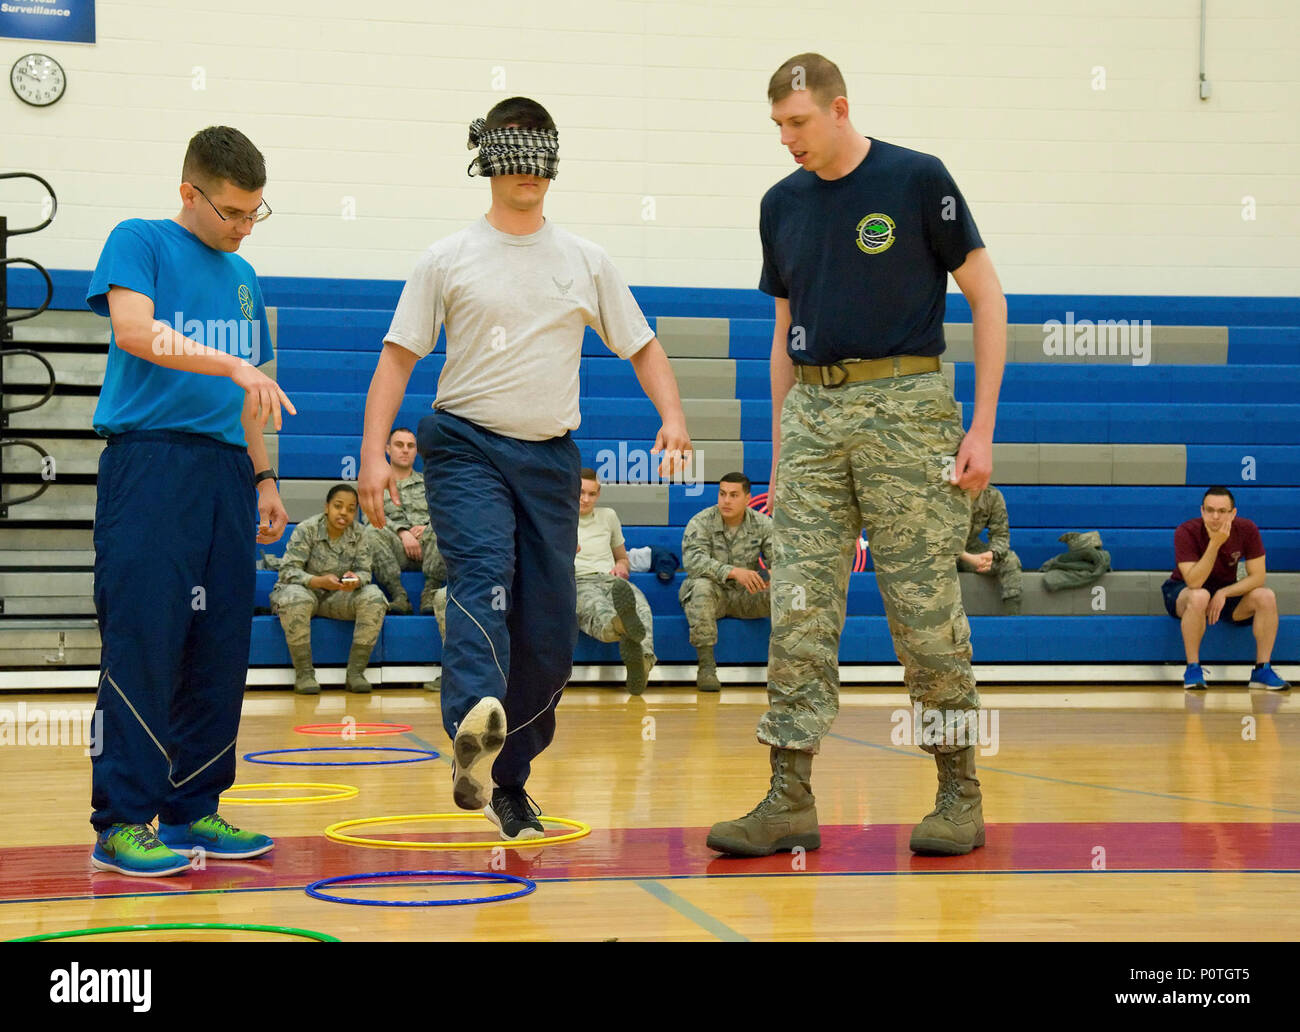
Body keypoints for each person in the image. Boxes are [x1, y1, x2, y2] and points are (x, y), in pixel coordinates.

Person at [358, 97, 691, 841]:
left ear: (554, 162)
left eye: (539, 157)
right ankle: (473, 712)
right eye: (513, 156)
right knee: (482, 576)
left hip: (550, 460)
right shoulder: (446, 258)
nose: (528, 174)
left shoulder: (585, 260)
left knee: (547, 630)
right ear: (487, 162)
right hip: (466, 445)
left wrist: (671, 416)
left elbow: (641, 344)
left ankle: (506, 778)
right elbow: (398, 357)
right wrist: (376, 451)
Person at [707, 54, 1007, 859]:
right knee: (798, 606)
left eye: (798, 122)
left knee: (923, 613)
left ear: (840, 108)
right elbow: (780, 335)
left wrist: (979, 428)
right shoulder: (781, 205)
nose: (787, 139)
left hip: (908, 409)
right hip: (810, 414)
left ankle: (958, 791)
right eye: (777, 125)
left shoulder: (917, 179)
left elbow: (988, 295)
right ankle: (789, 795)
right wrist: (779, 452)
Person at [86, 126, 292, 877]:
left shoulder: (245, 279)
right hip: (150, 464)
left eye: (254, 215)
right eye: (232, 212)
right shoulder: (138, 239)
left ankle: (193, 806)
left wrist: (263, 478)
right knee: (143, 638)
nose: (243, 228)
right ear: (188, 193)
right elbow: (137, 332)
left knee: (218, 647)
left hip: (226, 476)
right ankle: (121, 823)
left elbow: (247, 397)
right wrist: (233, 363)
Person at [1161, 486, 1289, 690]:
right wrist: (1215, 544)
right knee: (1200, 596)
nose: (1215, 517)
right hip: (1183, 590)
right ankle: (1193, 669)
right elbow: (1194, 582)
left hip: (1225, 590)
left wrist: (1224, 592)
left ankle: (1262, 670)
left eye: (1222, 511)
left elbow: (1258, 576)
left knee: (1266, 596)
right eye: (1210, 510)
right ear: (1202, 511)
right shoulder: (1186, 531)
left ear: (1233, 513)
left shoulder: (1247, 529)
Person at [270, 483, 388, 694]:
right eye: (338, 506)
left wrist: (356, 579)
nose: (344, 512)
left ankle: (355, 674)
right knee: (296, 599)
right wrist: (318, 581)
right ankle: (304, 674)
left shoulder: (360, 534)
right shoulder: (308, 529)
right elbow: (288, 571)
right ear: (327, 507)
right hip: (305, 592)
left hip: (337, 598)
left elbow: (365, 572)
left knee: (374, 597)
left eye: (351, 509)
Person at [679, 472, 773, 692]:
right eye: (722, 494)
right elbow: (693, 562)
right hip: (715, 595)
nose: (726, 500)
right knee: (700, 586)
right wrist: (732, 572)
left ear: (748, 498)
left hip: (747, 595)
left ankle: (789, 666)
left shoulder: (762, 524)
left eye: (733, 495)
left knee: (789, 589)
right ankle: (707, 667)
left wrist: (766, 577)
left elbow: (782, 562)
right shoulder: (701, 522)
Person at [575, 469, 657, 696]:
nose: (585, 499)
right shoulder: (556, 518)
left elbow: (622, 557)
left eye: (592, 494)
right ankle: (618, 625)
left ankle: (642, 662)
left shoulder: (608, 516)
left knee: (641, 606)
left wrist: (622, 565)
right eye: (581, 492)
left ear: (598, 494)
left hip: (611, 579)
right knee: (595, 608)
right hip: (577, 580)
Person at [365, 426, 447, 614]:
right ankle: (399, 596)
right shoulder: (376, 484)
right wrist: (402, 532)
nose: (405, 450)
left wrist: (428, 527)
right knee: (371, 531)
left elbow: (445, 512)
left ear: (416, 451)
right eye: (399, 445)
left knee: (444, 527)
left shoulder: (431, 483)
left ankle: (430, 593)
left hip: (430, 547)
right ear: (388, 449)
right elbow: (370, 516)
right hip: (394, 549)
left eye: (410, 446)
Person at [958, 485, 1022, 614]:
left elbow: (1000, 534)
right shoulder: (944, 493)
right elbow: (935, 538)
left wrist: (992, 554)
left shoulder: (992, 496)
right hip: (940, 551)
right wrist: (968, 558)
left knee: (1009, 560)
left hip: (970, 546)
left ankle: (1012, 619)